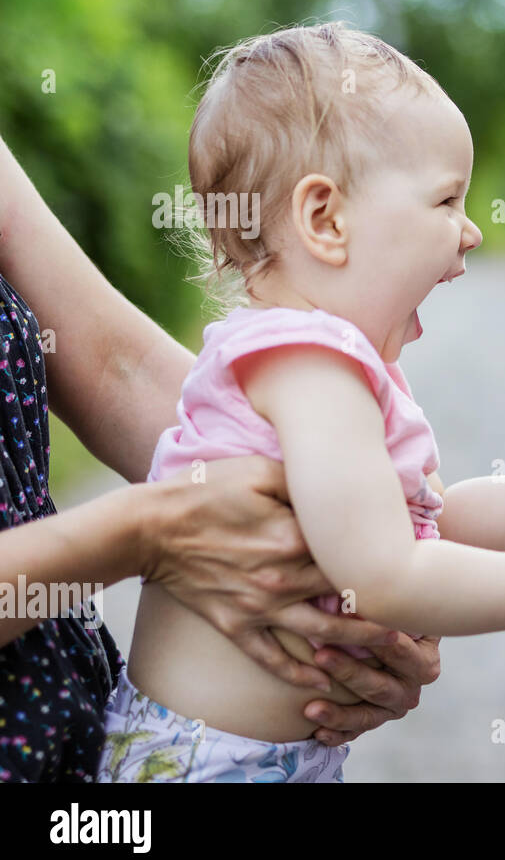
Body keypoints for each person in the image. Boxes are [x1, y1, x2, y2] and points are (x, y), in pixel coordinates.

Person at [96, 24, 505, 783]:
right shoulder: (308, 366)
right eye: (447, 199)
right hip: (208, 767)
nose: (472, 231)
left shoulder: (326, 364)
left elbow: (426, 520)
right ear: (326, 220)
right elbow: (383, 573)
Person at [0, 134, 444, 783]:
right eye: (445, 199)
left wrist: (374, 518)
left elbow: (113, 366)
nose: (469, 233)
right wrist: (144, 532)